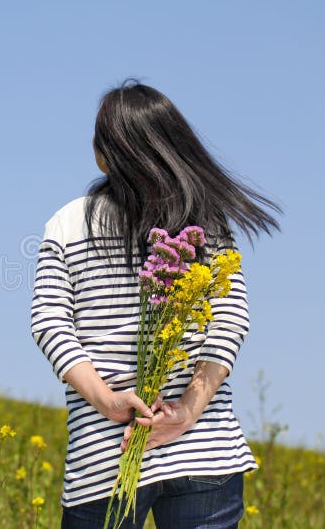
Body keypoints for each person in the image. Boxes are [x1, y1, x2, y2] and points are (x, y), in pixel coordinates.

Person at [30, 78, 282, 529]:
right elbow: (231, 318)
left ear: (103, 152)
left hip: (106, 455)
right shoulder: (205, 221)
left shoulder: (66, 224)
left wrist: (108, 401)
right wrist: (186, 412)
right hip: (203, 451)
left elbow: (49, 324)